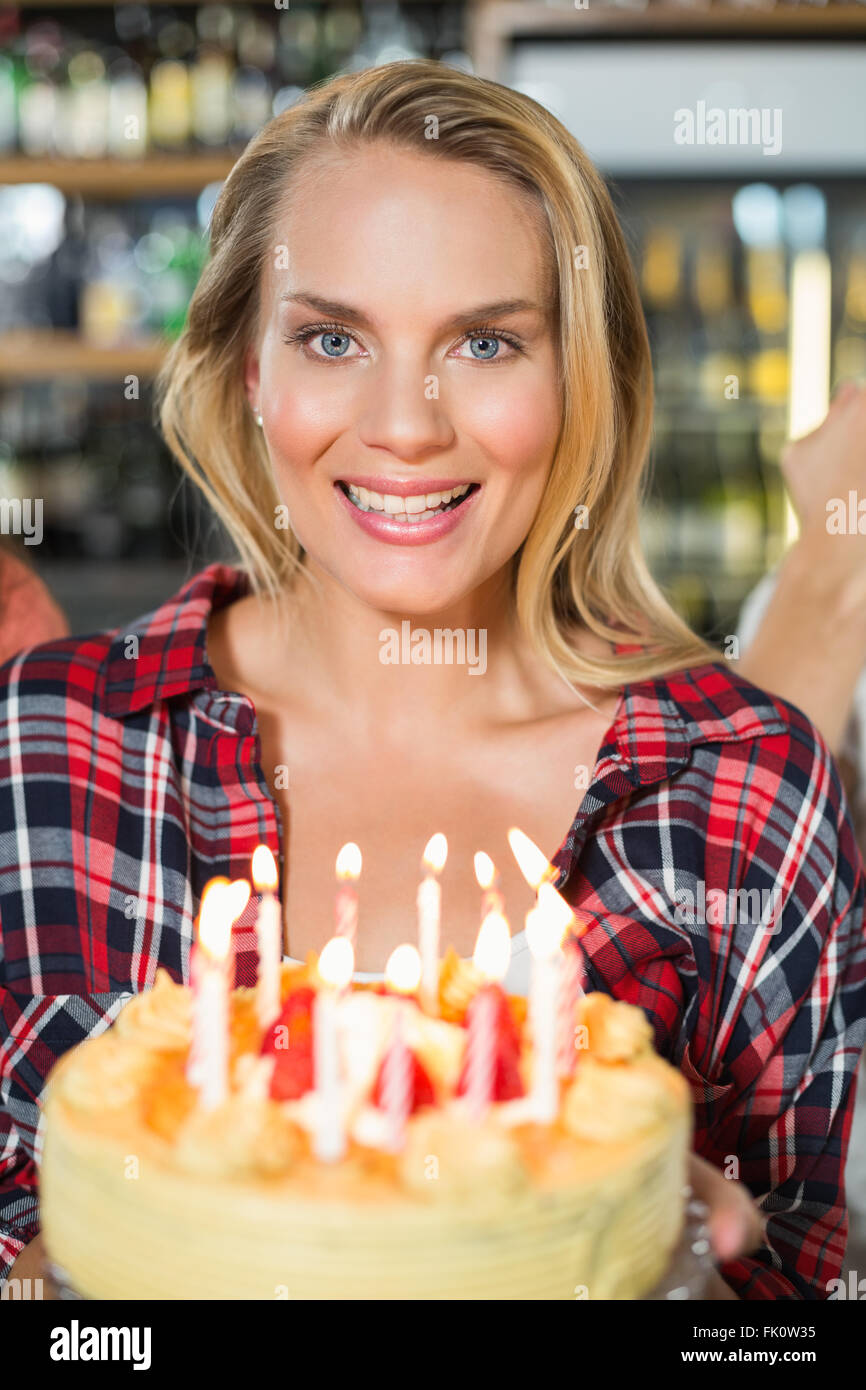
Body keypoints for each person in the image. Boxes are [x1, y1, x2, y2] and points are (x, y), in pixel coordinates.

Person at [1, 60, 863, 1300]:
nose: (405, 423)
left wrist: (695, 1294)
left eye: (485, 341)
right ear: (251, 372)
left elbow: (801, 1302)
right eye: (332, 337)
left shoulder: (747, 794)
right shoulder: (40, 749)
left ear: (579, 385)